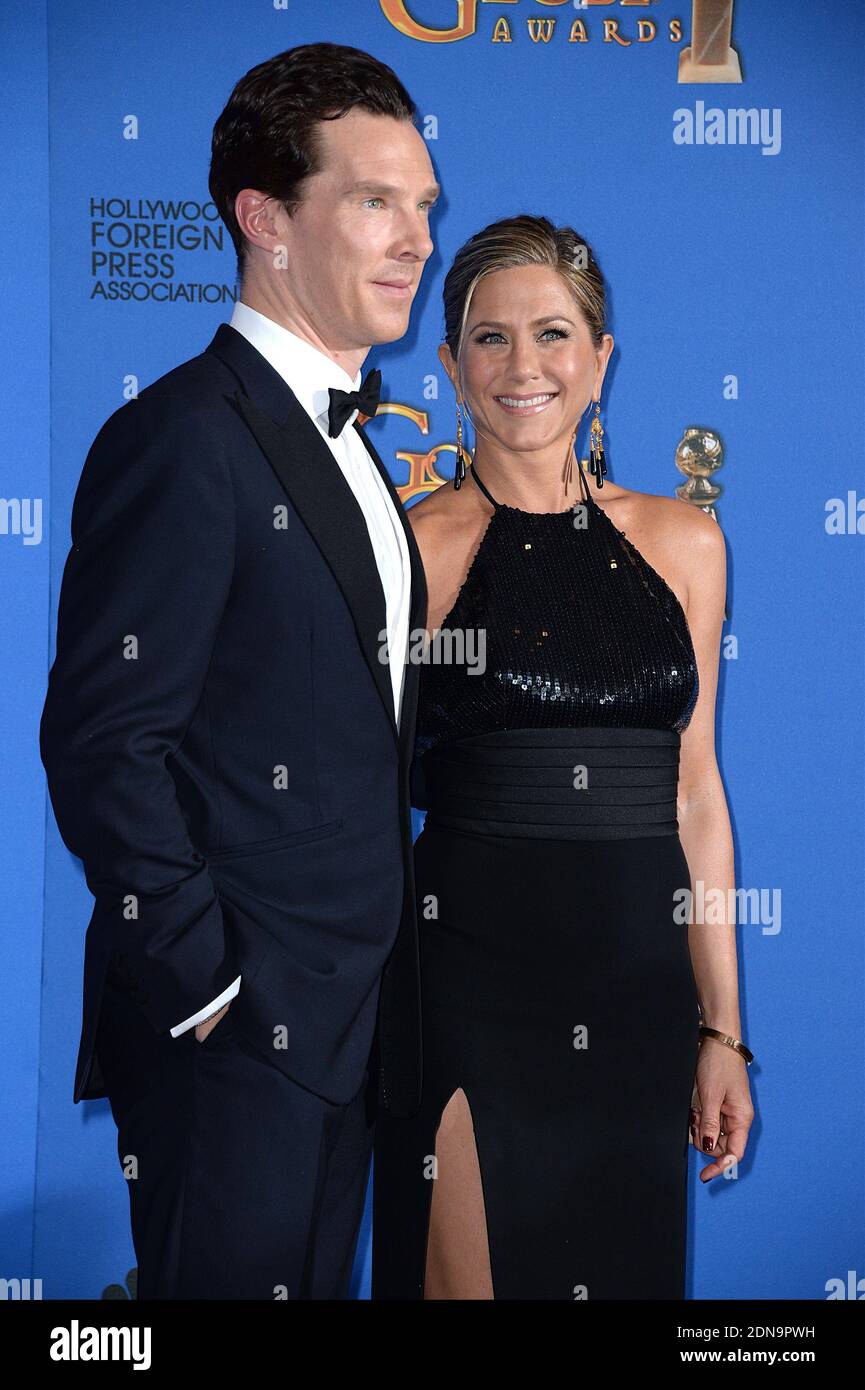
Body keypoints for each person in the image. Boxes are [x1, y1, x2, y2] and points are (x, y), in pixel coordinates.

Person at [39, 42, 439, 1299]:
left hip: (350, 1024)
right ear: (265, 220)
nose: (416, 238)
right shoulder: (182, 439)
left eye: (425, 205)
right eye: (376, 200)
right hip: (238, 1035)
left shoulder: (354, 450)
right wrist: (211, 983)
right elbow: (106, 742)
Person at [371, 214, 755, 1300]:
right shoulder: (411, 548)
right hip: (464, 994)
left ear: (599, 359)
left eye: (551, 334)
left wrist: (720, 1027)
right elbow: (348, 783)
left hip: (636, 1003)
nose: (522, 366)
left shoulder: (686, 543)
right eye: (488, 339)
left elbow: (696, 796)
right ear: (447, 365)